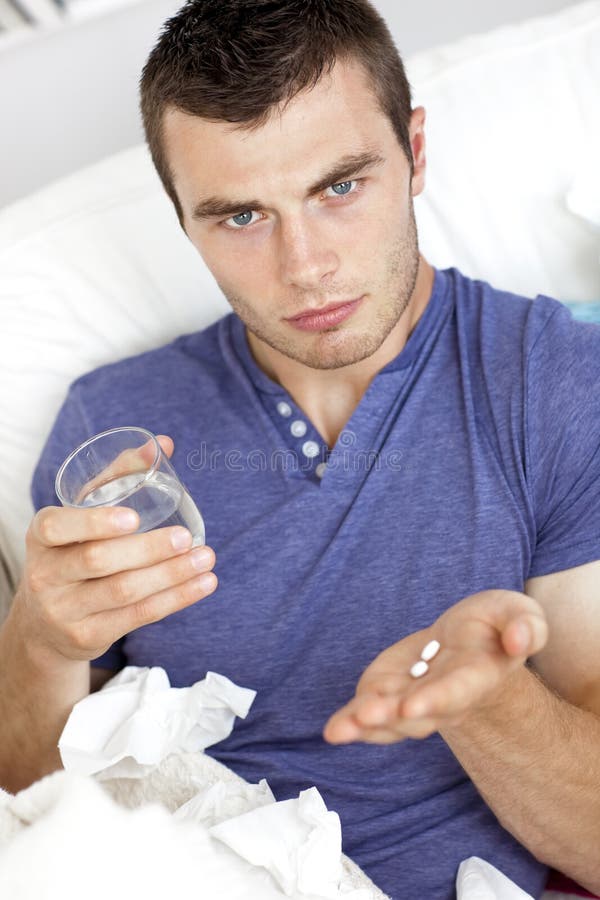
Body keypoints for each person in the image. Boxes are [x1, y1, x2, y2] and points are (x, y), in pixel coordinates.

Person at [1, 1, 599, 897]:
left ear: (417, 153)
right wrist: (40, 644)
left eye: (340, 186)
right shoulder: (115, 422)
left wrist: (487, 703)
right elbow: (25, 793)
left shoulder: (553, 384)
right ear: (183, 219)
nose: (306, 265)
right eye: (241, 217)